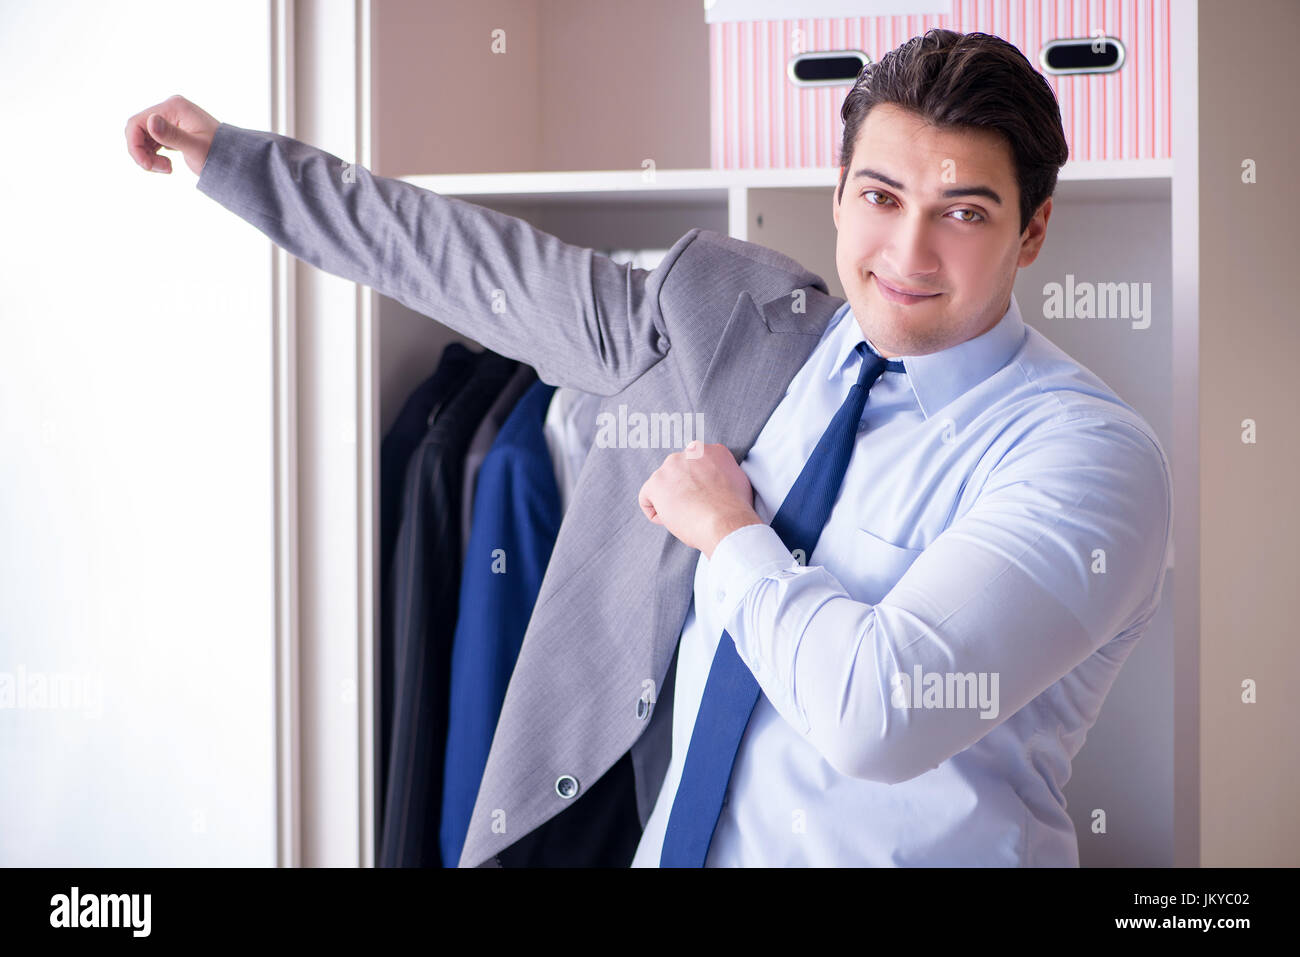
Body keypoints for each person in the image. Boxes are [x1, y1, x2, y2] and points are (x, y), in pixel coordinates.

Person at [125, 28, 1172, 867]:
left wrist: (729, 534)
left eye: (964, 212)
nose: (905, 251)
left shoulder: (1085, 458)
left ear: (1032, 232)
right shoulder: (744, 335)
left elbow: (881, 714)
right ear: (838, 188)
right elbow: (463, 260)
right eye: (880, 197)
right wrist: (235, 160)